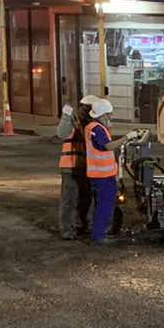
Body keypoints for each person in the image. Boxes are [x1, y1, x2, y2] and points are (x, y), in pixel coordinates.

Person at [56, 95, 97, 240]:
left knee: (85, 199)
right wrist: (66, 116)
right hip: (71, 167)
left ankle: (81, 226)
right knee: (69, 200)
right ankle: (67, 230)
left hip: (86, 167)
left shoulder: (90, 124)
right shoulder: (73, 121)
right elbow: (61, 134)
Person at [84, 98, 121, 245]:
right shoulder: (96, 129)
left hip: (102, 174)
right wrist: (126, 138)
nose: (111, 117)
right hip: (102, 175)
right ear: (103, 115)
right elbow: (107, 146)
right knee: (104, 205)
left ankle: (100, 233)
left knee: (104, 204)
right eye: (109, 114)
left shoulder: (94, 127)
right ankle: (98, 236)